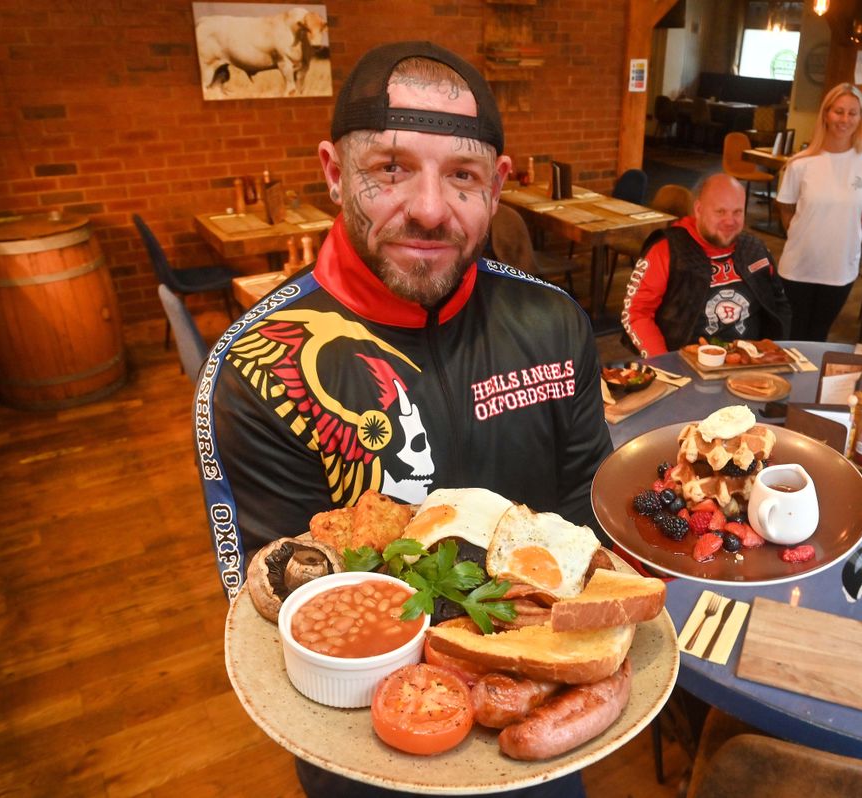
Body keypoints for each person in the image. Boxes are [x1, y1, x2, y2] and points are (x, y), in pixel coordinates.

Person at [194, 40, 613, 798]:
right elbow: (278, 611)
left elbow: (590, 502)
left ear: (499, 187)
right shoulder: (258, 364)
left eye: (463, 175)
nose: (428, 208)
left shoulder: (554, 321)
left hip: (536, 725)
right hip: (365, 747)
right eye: (390, 168)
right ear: (333, 173)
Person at [621, 172, 791, 357]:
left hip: (751, 363)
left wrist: (771, 356)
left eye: (737, 212)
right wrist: (663, 364)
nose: (730, 221)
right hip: (685, 363)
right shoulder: (666, 250)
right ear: (699, 209)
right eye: (720, 212)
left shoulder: (756, 250)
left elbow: (779, 305)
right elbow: (636, 313)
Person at [775, 83, 862, 342]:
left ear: (861, 118)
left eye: (852, 113)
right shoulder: (800, 163)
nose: (845, 119)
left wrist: (842, 233)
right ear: (826, 114)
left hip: (840, 266)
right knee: (793, 335)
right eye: (838, 111)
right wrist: (805, 233)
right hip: (799, 264)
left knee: (818, 336)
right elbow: (786, 207)